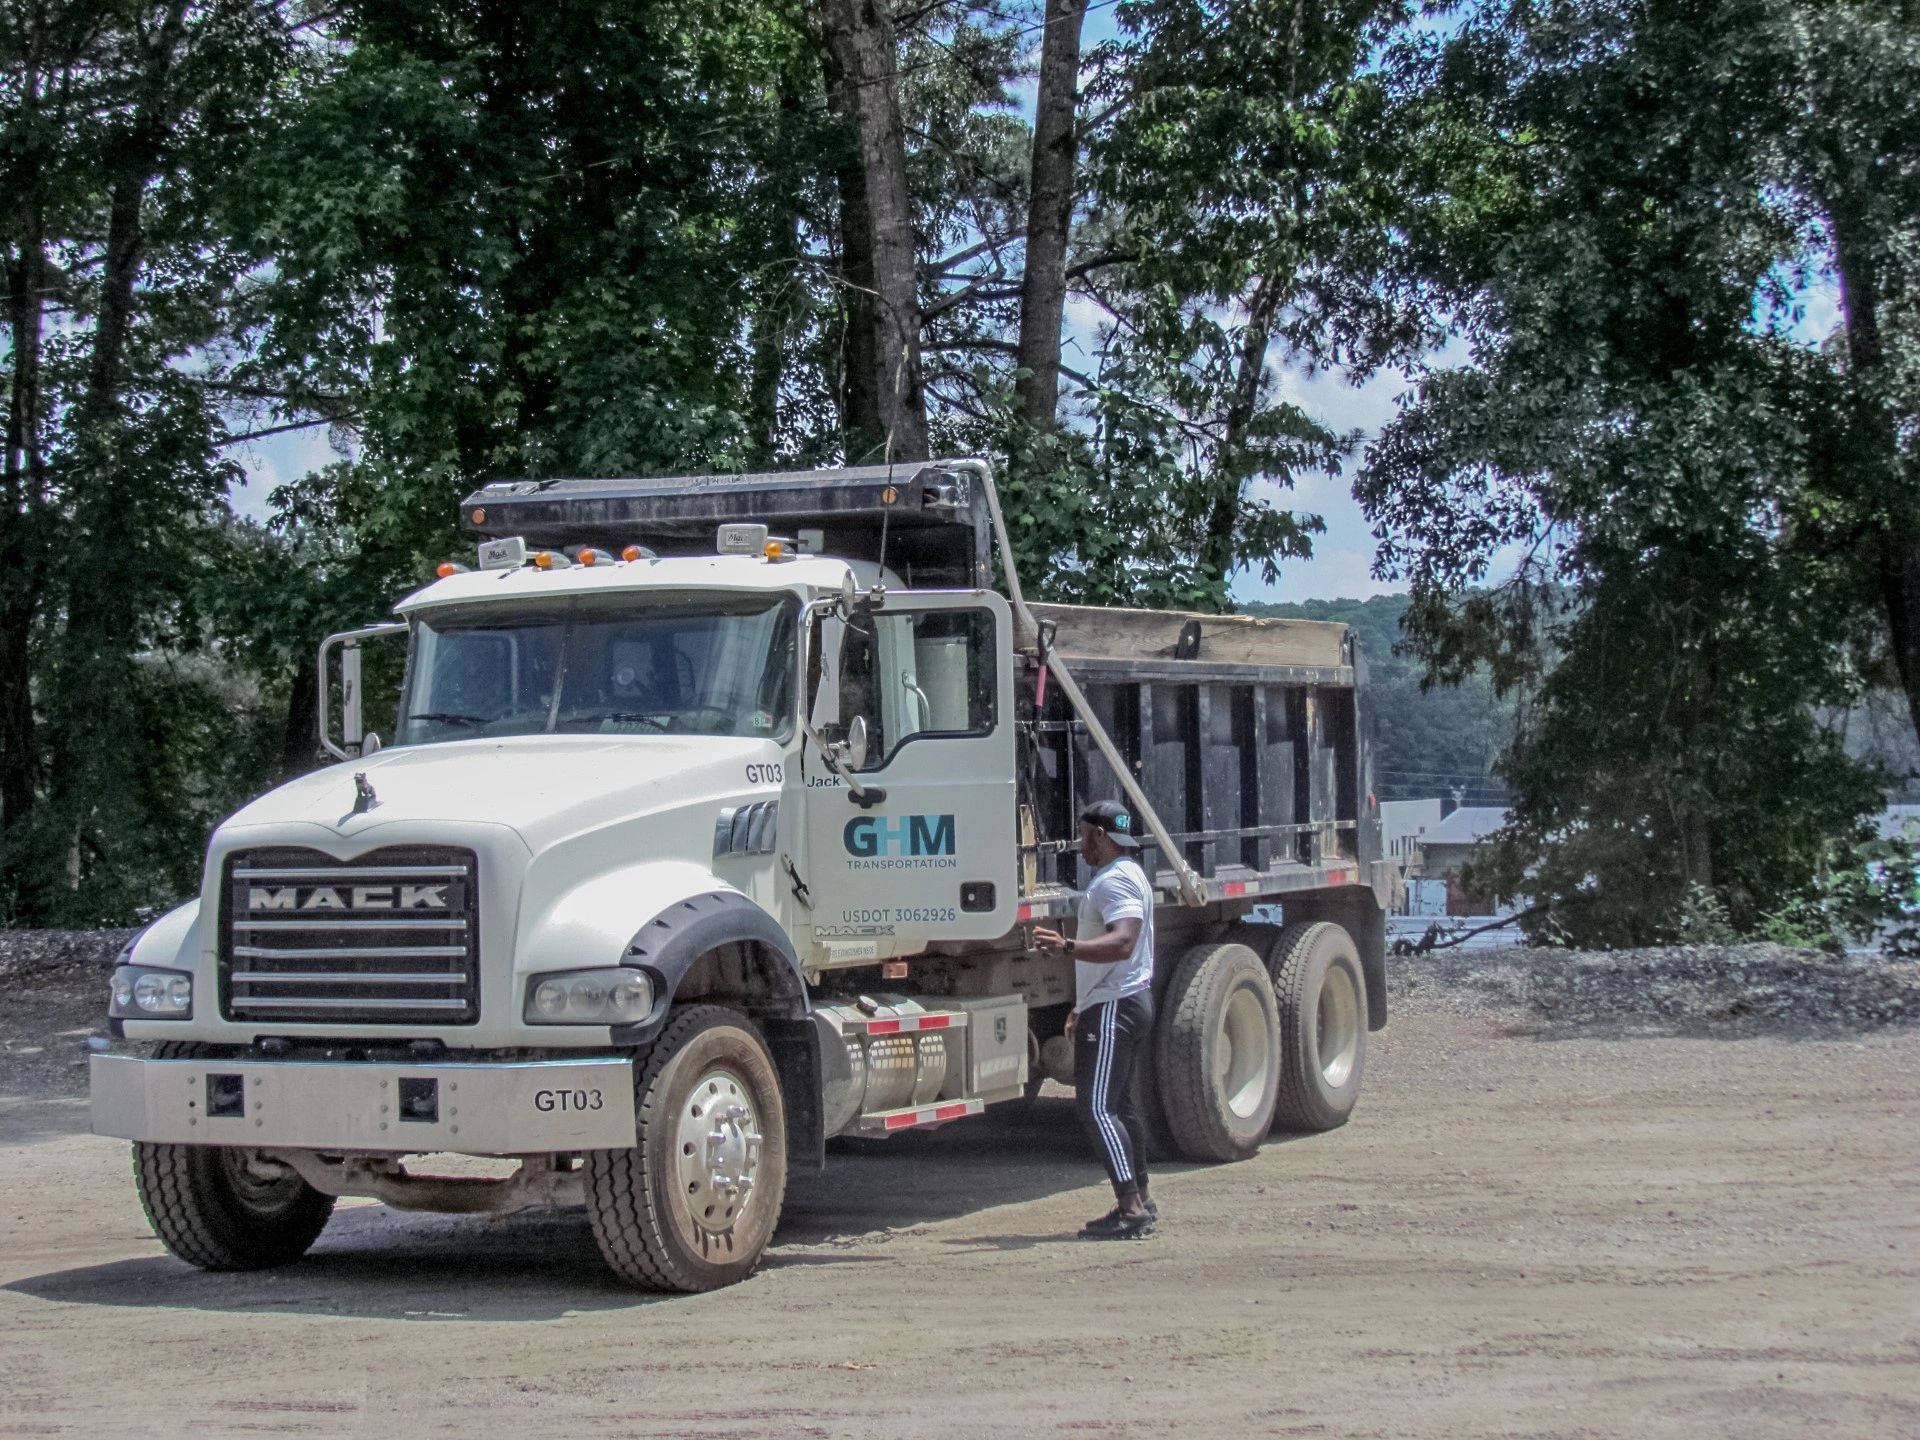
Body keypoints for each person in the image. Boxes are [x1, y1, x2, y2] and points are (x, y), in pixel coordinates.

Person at [1033, 801, 1158, 1241]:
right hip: (1120, 1000)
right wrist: (1081, 1003)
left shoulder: (1114, 881)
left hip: (1116, 1007)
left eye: (1083, 834)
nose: (1078, 844)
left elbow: (1123, 942)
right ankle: (1141, 1197)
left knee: (1095, 1108)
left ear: (1101, 835)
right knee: (1120, 1106)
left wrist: (1066, 947)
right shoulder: (1131, 873)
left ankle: (1131, 1207)